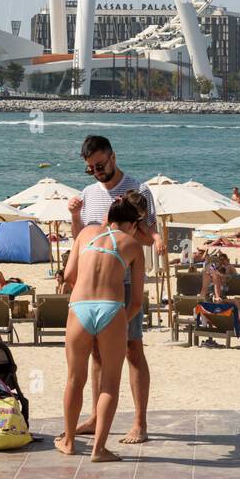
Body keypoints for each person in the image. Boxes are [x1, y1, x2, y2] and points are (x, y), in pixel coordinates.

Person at [68, 134, 160, 445]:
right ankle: (96, 418)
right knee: (96, 354)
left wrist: (156, 241)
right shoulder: (88, 194)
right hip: (91, 287)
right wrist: (73, 216)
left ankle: (139, 423)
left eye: (101, 165)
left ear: (113, 157)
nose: (97, 172)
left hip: (124, 281)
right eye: (91, 168)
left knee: (133, 350)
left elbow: (146, 236)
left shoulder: (138, 189)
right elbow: (81, 239)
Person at [55, 196, 145, 463]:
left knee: (74, 379)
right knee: (110, 383)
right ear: (132, 224)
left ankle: (69, 442)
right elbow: (137, 300)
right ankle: (99, 449)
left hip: (80, 307)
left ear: (109, 218)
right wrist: (118, 323)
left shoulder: (85, 234)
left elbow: (69, 275)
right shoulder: (133, 245)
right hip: (111, 309)